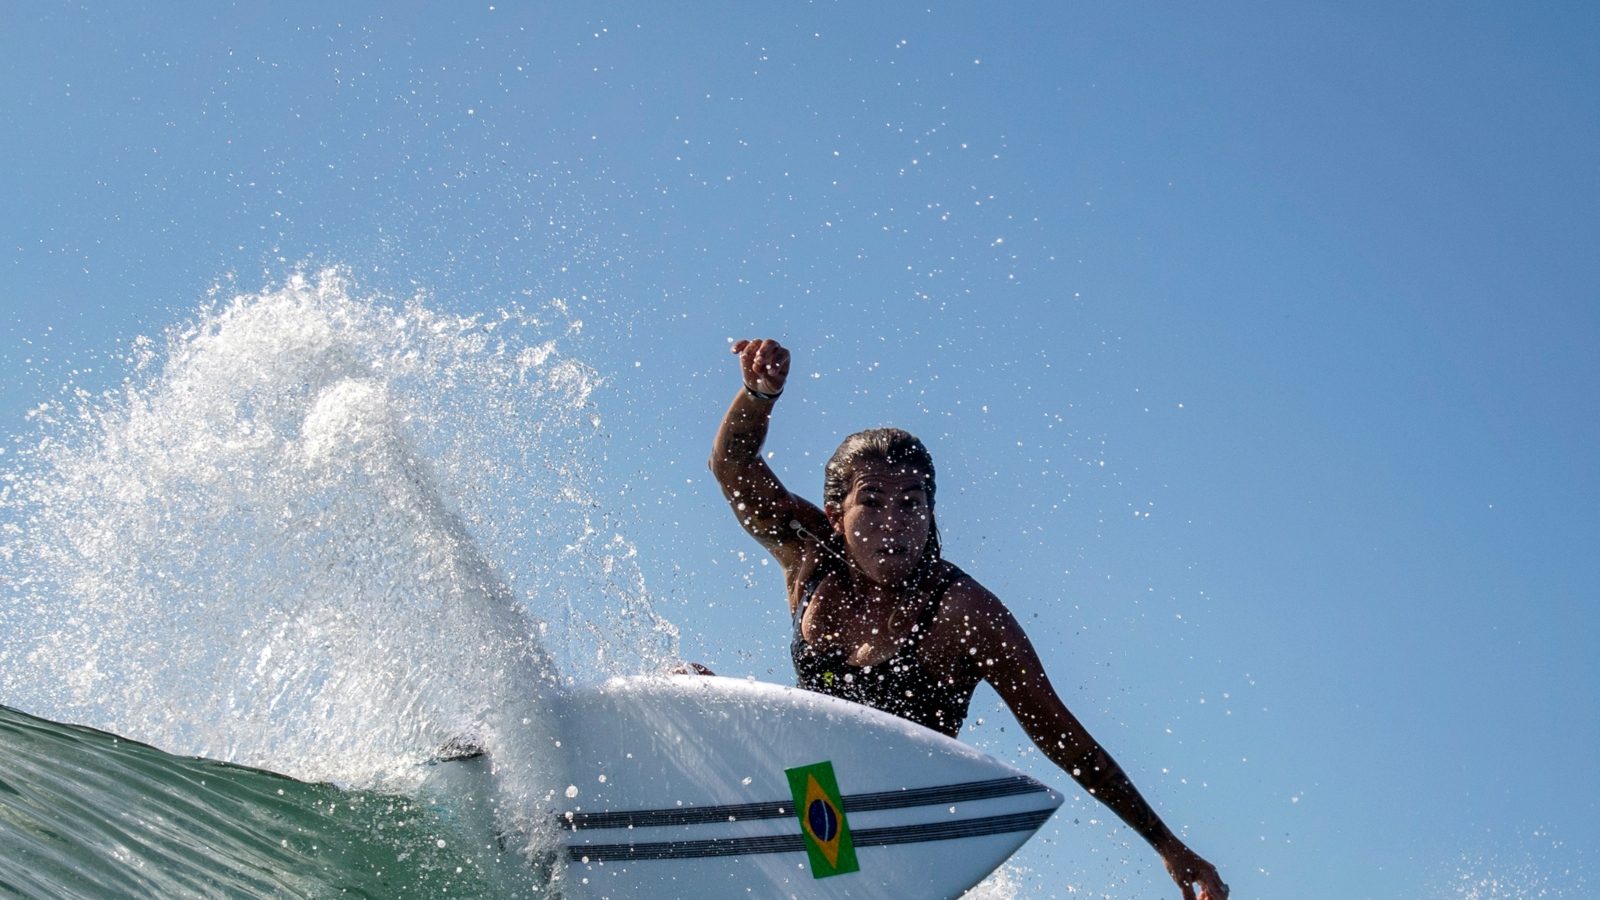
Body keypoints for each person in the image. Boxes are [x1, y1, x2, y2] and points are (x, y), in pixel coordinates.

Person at [708, 338, 1228, 900]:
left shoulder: (963, 614)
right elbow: (732, 465)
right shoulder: (812, 555)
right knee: (697, 689)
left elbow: (1061, 736)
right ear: (837, 514)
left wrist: (1165, 844)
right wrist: (758, 394)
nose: (895, 521)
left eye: (912, 502)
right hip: (812, 798)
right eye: (873, 501)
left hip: (901, 833)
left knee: (811, 781)